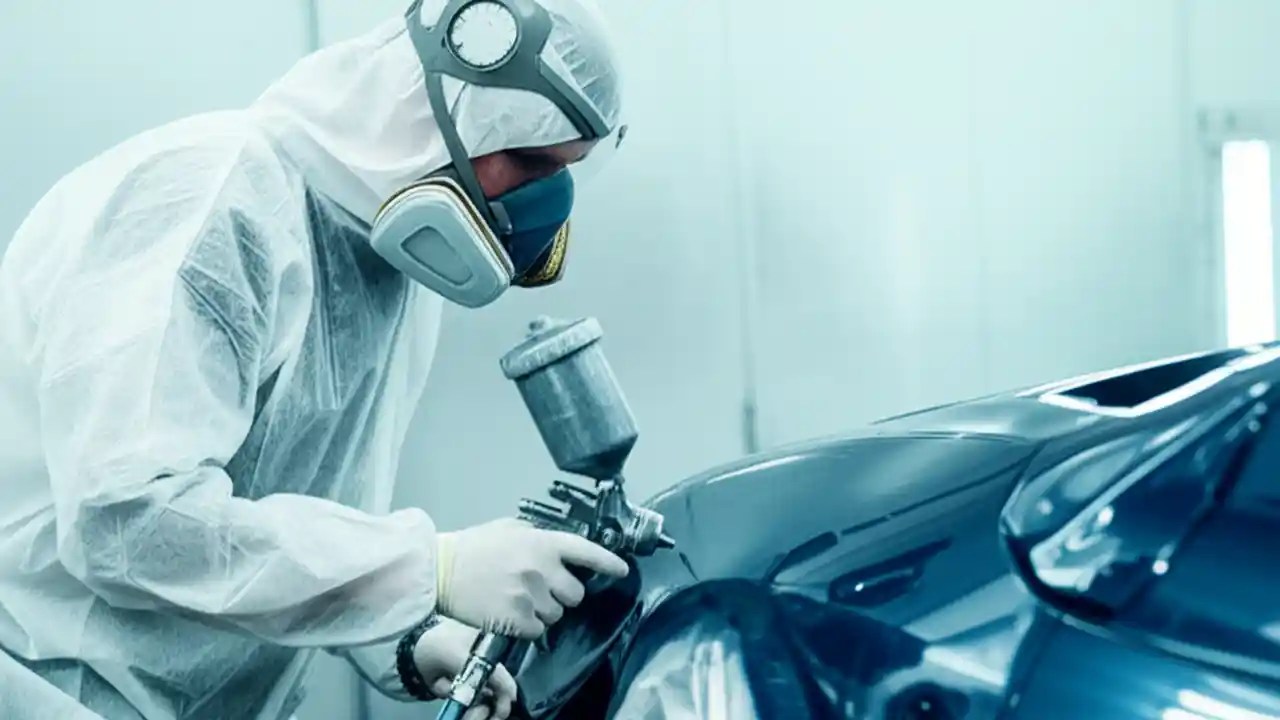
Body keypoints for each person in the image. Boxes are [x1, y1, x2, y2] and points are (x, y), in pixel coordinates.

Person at [0, 0, 631, 717]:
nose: (545, 202)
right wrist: (434, 567)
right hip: (48, 686)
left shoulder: (388, 269)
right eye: (531, 162)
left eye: (565, 171)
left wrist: (409, 638)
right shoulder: (209, 197)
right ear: (446, 112)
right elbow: (128, 522)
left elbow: (297, 528)